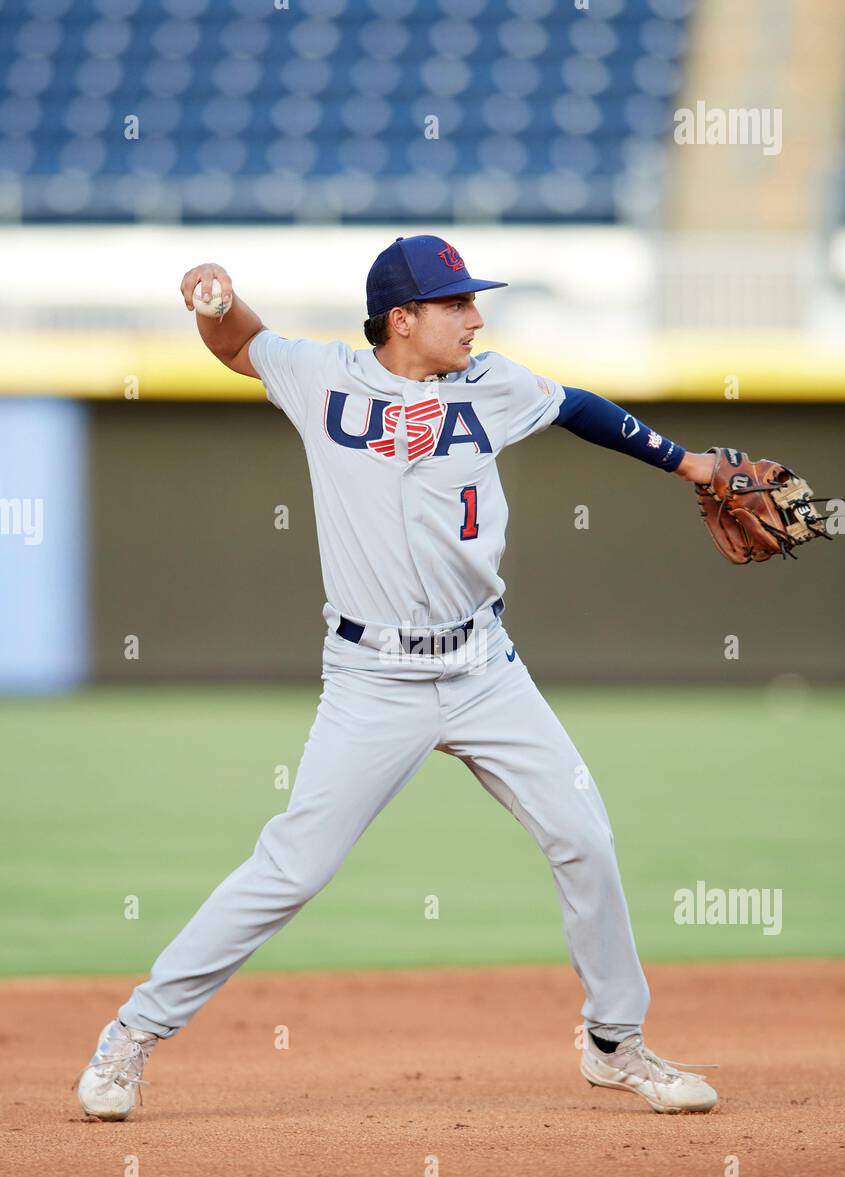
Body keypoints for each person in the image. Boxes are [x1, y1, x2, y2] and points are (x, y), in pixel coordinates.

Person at [75, 235, 719, 1121]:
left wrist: (692, 462)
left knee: (586, 838)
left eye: (472, 301)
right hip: (372, 678)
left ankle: (616, 1045)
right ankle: (133, 1036)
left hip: (485, 666)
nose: (476, 317)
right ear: (403, 318)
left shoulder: (492, 385)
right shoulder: (323, 377)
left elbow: (579, 407)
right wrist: (217, 300)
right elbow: (237, 344)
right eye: (457, 304)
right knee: (292, 868)